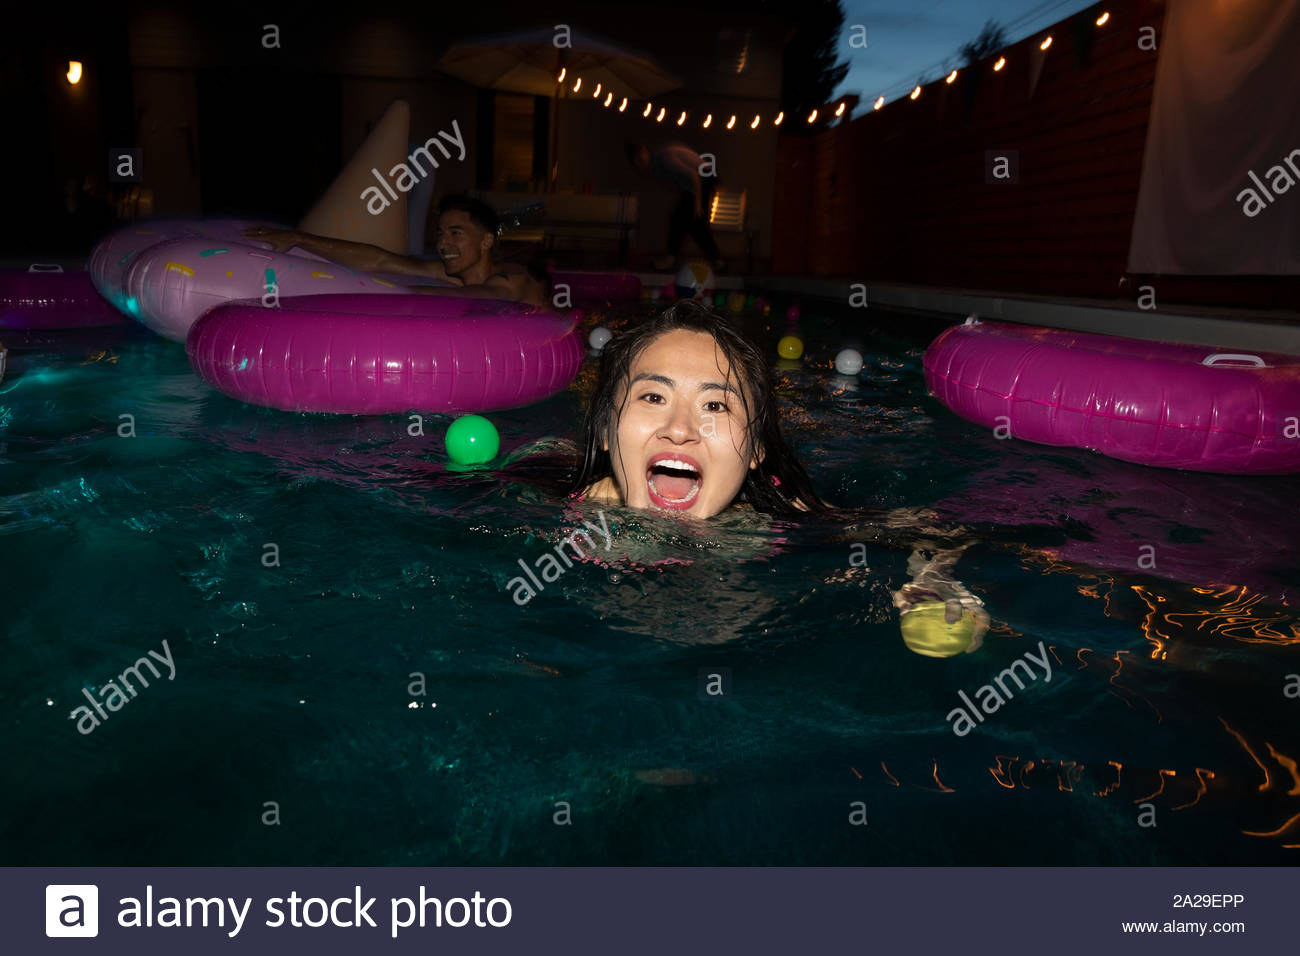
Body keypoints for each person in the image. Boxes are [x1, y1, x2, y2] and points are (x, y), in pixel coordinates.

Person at [244, 195, 550, 308]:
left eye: (456, 234)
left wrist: (386, 293)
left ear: (485, 242)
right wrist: (299, 238)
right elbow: (379, 260)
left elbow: (487, 297)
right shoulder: (449, 274)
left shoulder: (512, 278)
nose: (443, 244)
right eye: (440, 233)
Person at [625, 141, 724, 273]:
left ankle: (672, 259)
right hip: (697, 181)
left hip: (704, 176)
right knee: (690, 222)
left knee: (687, 219)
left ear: (644, 153)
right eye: (638, 165)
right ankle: (717, 260)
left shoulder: (664, 159)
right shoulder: (657, 168)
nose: (641, 166)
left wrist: (698, 204)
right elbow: (680, 183)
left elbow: (694, 176)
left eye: (640, 161)